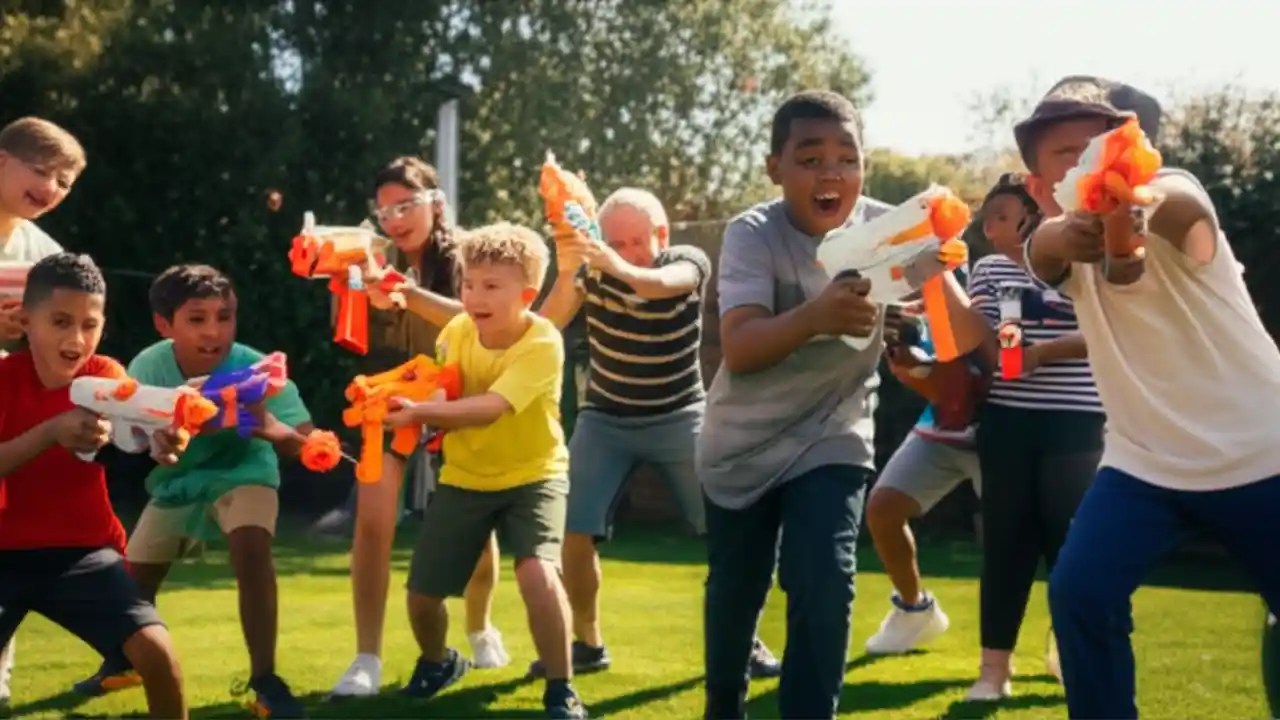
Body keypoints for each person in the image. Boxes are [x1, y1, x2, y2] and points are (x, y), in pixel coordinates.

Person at [697, 89, 988, 720]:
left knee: (823, 579)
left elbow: (962, 338)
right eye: (809, 158)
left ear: (864, 167)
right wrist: (817, 315)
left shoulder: (894, 229)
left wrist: (938, 268)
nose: (831, 173)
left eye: (846, 158)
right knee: (737, 587)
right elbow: (741, 349)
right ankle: (724, 705)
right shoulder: (753, 233)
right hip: (738, 445)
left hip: (834, 434)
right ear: (775, 168)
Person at [1018, 75, 1280, 719]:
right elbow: (1041, 253)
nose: (1085, 160)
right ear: (1037, 186)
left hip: (1261, 450)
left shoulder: (1176, 190)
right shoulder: (1056, 239)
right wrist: (1071, 229)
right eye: (1065, 154)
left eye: (1098, 145)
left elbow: (1189, 223)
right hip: (1144, 466)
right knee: (1081, 592)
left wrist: (1132, 205)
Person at [535, 187, 781, 680]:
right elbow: (547, 324)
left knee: (730, 529)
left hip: (680, 414)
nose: (627, 251)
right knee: (573, 531)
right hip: (604, 417)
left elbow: (661, 283)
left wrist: (616, 265)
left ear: (661, 235)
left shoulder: (686, 261)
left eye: (636, 241)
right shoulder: (589, 267)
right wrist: (569, 271)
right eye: (616, 243)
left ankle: (744, 640)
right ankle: (587, 642)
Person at [71, 264, 308, 717]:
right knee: (131, 586)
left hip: (244, 472)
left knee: (252, 547)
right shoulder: (148, 365)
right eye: (197, 319)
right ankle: (124, 662)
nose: (214, 331)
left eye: (225, 316)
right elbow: (136, 438)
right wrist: (157, 445)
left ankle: (266, 680)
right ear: (165, 324)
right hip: (176, 485)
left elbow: (311, 446)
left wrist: (271, 428)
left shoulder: (258, 368)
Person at [381, 222, 586, 718]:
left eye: (491, 286)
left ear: (528, 294)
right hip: (466, 478)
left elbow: (491, 406)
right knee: (422, 595)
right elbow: (444, 385)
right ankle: (439, 662)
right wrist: (416, 403)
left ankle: (562, 688)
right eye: (470, 284)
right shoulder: (456, 332)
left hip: (535, 475)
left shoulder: (542, 342)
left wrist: (420, 414)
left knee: (538, 574)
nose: (475, 295)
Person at [324, 157, 508, 700]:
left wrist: (404, 290)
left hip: (461, 396)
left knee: (477, 529)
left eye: (405, 205)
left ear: (436, 202)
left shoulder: (472, 254)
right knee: (372, 524)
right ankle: (367, 658)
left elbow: (476, 317)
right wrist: (345, 288)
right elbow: (350, 336)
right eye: (383, 211)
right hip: (389, 398)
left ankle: (479, 627)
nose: (394, 219)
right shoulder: (368, 259)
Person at [0, 253, 186, 719]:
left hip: (81, 554)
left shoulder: (104, 374)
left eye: (90, 324)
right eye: (60, 322)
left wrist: (162, 441)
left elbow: (137, 428)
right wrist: (50, 432)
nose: (76, 339)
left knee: (158, 656)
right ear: (25, 321)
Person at [961, 170, 1099, 701]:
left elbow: (1106, 332)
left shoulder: (1087, 261)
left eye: (1000, 213)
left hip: (1078, 419)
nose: (987, 224)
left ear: (1030, 216)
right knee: (1005, 545)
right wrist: (1022, 336)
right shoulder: (991, 269)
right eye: (986, 215)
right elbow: (999, 351)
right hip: (1009, 421)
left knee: (1071, 545)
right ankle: (993, 672)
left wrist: (1042, 352)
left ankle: (1068, 653)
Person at [0, 115, 87, 704]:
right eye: (43, 170)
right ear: (1, 160)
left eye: (65, 181)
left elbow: (72, 330)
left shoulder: (45, 252)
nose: (53, 188)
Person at [863, 302, 988, 655]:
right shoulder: (921, 311)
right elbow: (944, 392)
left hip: (1000, 432)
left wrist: (923, 372)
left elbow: (968, 379)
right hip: (943, 429)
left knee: (1011, 542)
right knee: (883, 509)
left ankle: (1068, 630)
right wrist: (914, 371)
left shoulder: (985, 290)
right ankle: (914, 609)